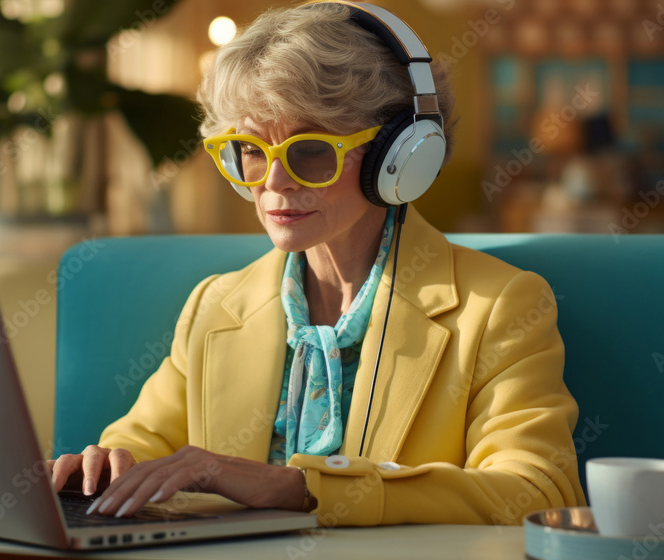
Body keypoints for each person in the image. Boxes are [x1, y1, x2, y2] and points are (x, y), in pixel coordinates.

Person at [50, 0, 586, 526]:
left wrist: (298, 488)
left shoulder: (498, 307)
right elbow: (144, 442)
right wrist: (109, 466)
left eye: (310, 150)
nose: (275, 182)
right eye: (251, 149)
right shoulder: (215, 304)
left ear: (400, 155)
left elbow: (537, 492)